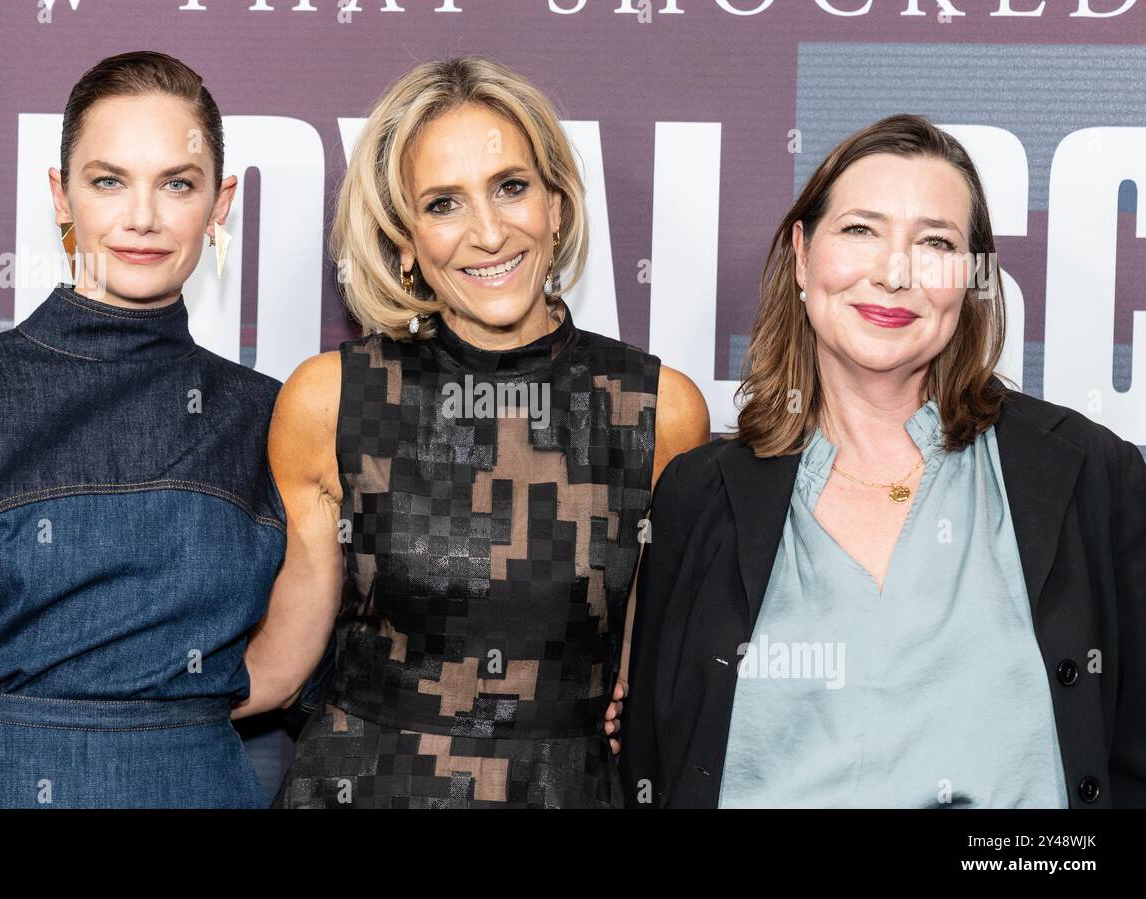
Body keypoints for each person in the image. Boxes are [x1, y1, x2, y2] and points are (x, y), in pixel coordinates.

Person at [622, 113, 1146, 809]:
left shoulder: (1091, 477)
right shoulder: (697, 496)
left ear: (971, 278)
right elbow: (651, 757)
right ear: (803, 257)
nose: (895, 273)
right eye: (861, 230)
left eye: (935, 242)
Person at [0, 50, 323, 808]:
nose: (143, 217)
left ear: (221, 202)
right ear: (60, 196)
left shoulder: (271, 414)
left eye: (178, 183)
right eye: (108, 181)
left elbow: (349, 674)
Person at [233, 55, 709, 808]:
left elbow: (647, 675)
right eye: (444, 204)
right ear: (403, 237)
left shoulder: (658, 409)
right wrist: (91, 703)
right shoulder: (330, 400)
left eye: (511, 188)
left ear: (557, 203)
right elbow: (285, 662)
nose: (488, 233)